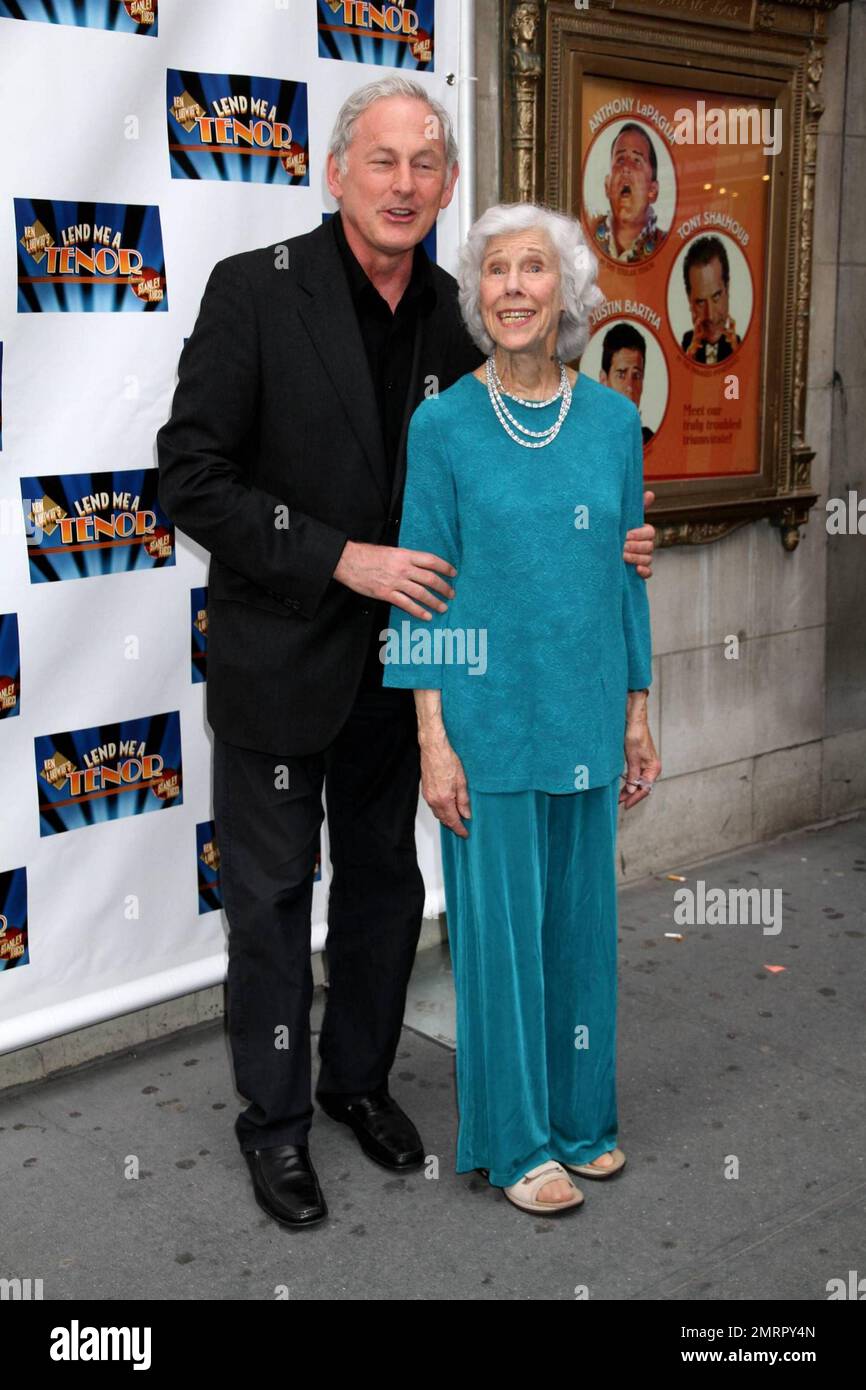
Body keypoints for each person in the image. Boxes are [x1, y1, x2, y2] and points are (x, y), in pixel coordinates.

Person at [156, 76, 656, 1231]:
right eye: (380, 161)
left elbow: (514, 475)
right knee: (275, 902)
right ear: (335, 172)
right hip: (283, 662)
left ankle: (357, 1085)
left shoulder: (460, 309)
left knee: (384, 893)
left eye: (425, 163)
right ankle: (274, 1128)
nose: (402, 183)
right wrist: (342, 559)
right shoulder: (254, 292)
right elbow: (189, 475)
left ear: (446, 187)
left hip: (417, 675)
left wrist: (609, 533)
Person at [382, 202, 661, 1215]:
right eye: (494, 269)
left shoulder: (609, 424)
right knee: (499, 944)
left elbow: (626, 574)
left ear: (566, 295)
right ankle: (514, 1143)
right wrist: (430, 737)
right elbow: (420, 583)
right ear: (475, 295)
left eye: (532, 269)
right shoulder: (443, 422)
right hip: (485, 723)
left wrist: (635, 711)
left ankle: (581, 1122)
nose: (511, 287)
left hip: (585, 710)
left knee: (580, 931)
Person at [589, 122, 665, 263]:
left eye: (637, 161)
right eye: (620, 160)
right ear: (607, 185)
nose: (625, 168)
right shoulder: (587, 236)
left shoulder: (665, 246)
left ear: (652, 191)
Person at [680, 235, 741, 364]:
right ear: (689, 299)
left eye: (716, 296)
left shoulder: (738, 346)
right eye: (700, 302)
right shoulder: (687, 346)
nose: (711, 316)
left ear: (727, 288)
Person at [599, 321, 655, 444]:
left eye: (636, 375)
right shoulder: (589, 441)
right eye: (621, 375)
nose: (630, 386)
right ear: (604, 381)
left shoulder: (654, 442)